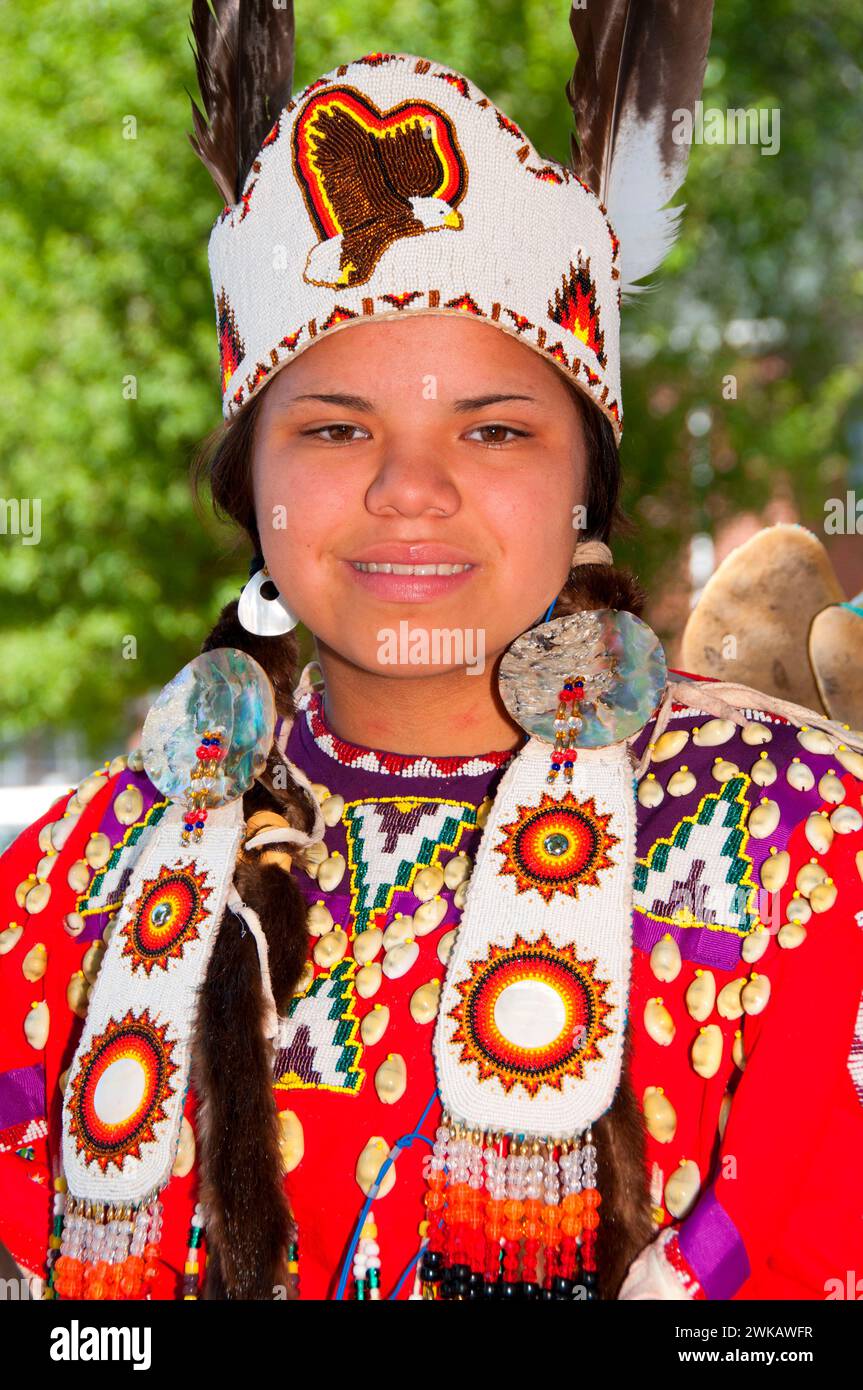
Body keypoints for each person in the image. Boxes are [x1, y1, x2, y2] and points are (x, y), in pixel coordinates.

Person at [1, 3, 862, 1303]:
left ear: (587, 479)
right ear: (251, 481)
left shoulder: (815, 850)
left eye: (496, 430)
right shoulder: (63, 888)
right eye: (337, 431)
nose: (412, 488)